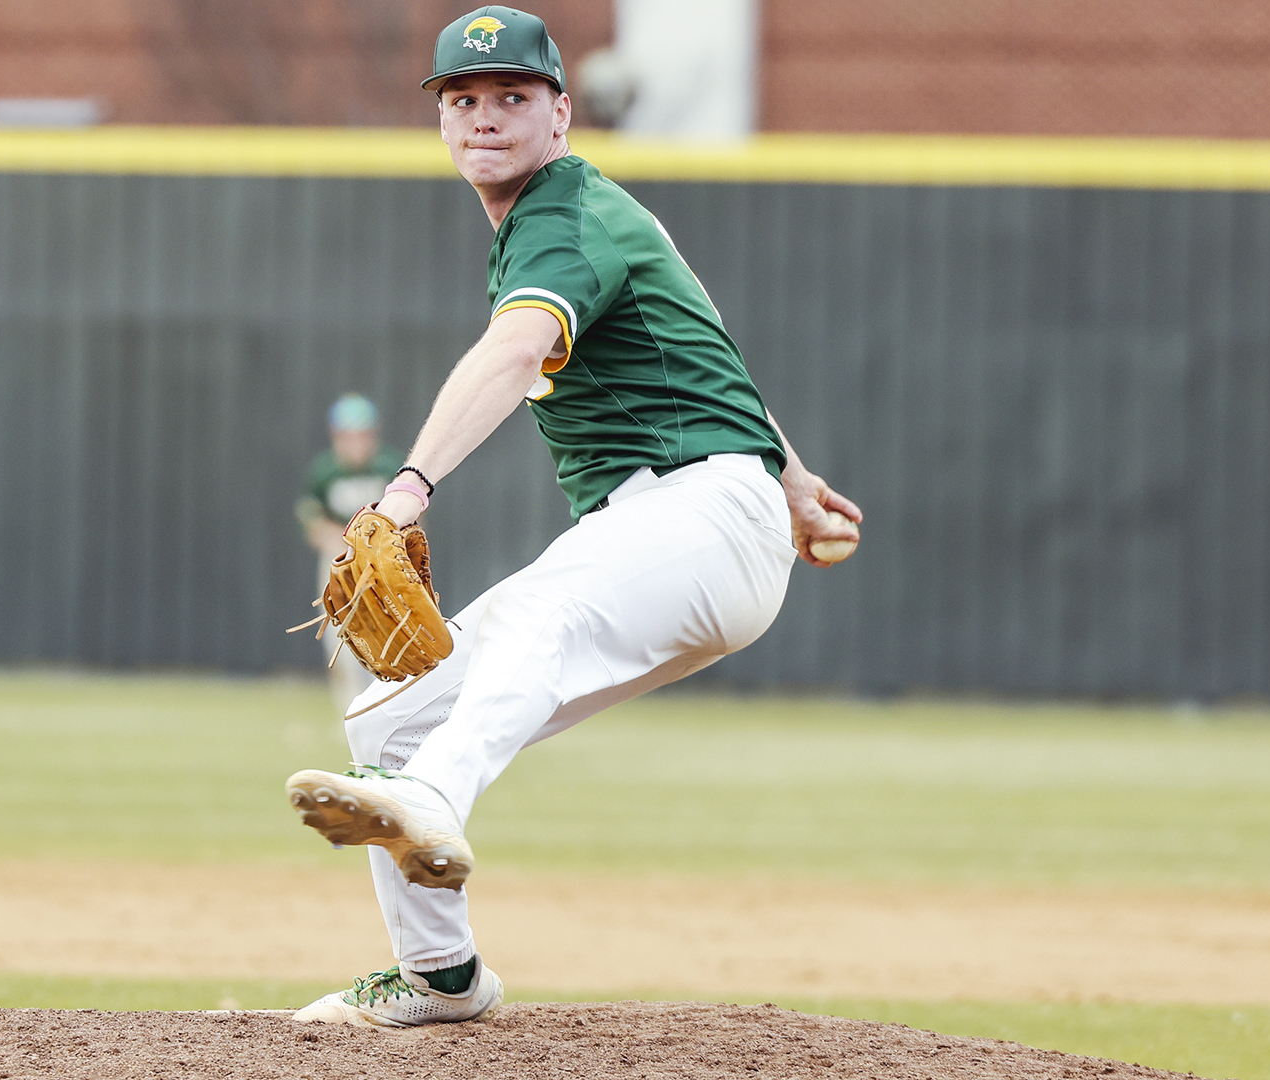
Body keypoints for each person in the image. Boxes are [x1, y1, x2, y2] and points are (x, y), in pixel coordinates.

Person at [283, 5, 862, 1028]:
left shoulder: (560, 215)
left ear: (560, 114)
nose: (485, 118)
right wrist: (797, 478)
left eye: (513, 96)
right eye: (462, 100)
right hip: (693, 523)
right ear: (443, 121)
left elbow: (511, 356)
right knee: (392, 714)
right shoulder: (575, 221)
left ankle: (441, 801)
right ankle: (442, 978)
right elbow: (706, 352)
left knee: (546, 617)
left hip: (698, 513)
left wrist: (407, 487)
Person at [295, 394, 405, 716]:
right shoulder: (325, 471)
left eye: (362, 434)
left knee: (389, 634)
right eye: (348, 435)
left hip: (381, 561)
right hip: (338, 564)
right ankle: (353, 712)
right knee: (340, 641)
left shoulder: (388, 465)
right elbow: (309, 516)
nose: (356, 443)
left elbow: (414, 512)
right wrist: (339, 540)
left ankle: (390, 708)